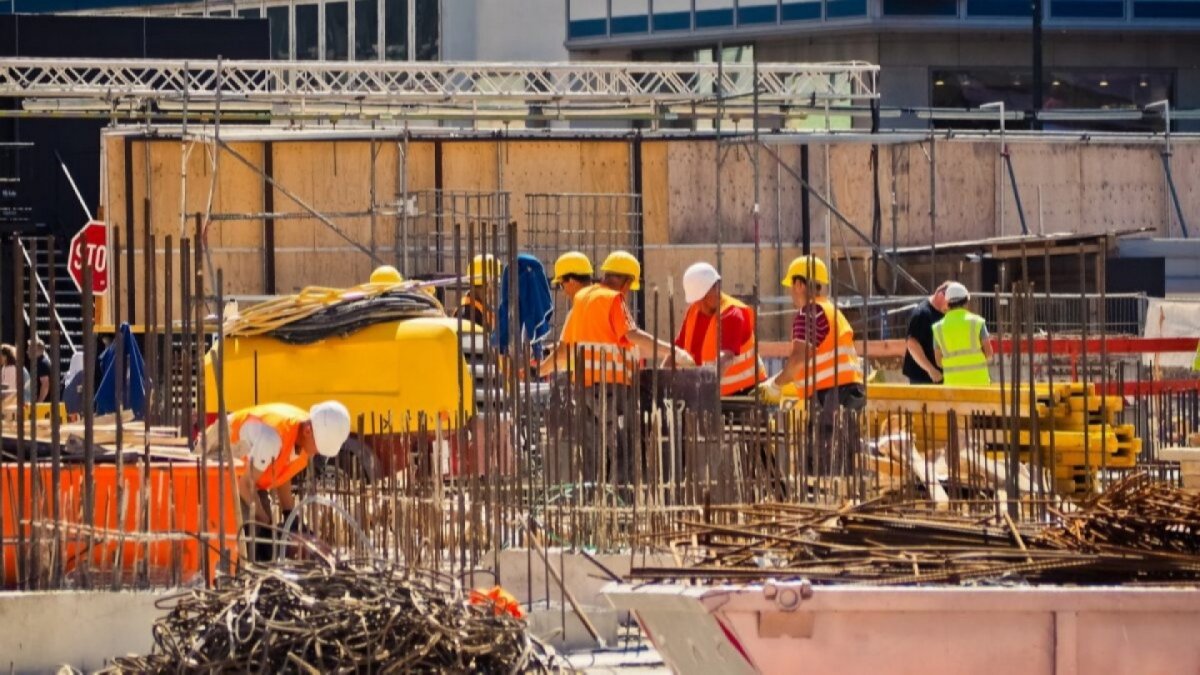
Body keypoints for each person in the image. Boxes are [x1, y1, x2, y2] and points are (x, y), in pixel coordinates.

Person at [550, 250, 692, 484]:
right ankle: (622, 507)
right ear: (626, 282)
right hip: (612, 388)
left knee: (593, 453)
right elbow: (632, 335)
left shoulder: (582, 299)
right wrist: (673, 351)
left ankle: (593, 505)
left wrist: (542, 369)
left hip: (583, 387)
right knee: (622, 450)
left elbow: (567, 347)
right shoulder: (613, 299)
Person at [204, 401, 351, 560]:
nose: (317, 452)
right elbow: (245, 485)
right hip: (215, 460)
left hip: (247, 475)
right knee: (251, 530)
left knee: (265, 532)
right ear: (308, 431)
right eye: (319, 447)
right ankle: (239, 570)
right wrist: (268, 525)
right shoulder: (273, 438)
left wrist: (290, 516)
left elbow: (282, 474)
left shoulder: (303, 436)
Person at [759, 255, 865, 473]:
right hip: (848, 394)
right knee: (840, 464)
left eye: (791, 286)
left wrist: (776, 384)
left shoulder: (810, 311)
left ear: (799, 284)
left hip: (830, 396)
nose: (791, 293)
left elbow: (799, 357)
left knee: (821, 466)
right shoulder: (830, 310)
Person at [675, 261, 766, 396]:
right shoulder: (693, 311)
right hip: (711, 393)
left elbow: (726, 358)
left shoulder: (732, 313)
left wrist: (707, 384)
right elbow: (676, 350)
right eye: (697, 300)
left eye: (704, 298)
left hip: (745, 394)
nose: (701, 304)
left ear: (716, 288)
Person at [538, 251, 595, 379]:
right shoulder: (602, 300)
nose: (564, 292)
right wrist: (547, 351)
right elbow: (576, 345)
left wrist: (538, 371)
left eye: (562, 285)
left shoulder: (580, 307)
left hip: (589, 384)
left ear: (572, 281)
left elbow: (565, 352)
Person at [932, 282, 993, 386]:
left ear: (947, 303)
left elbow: (938, 361)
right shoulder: (977, 322)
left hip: (952, 385)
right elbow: (989, 353)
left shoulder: (938, 328)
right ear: (966, 301)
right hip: (979, 383)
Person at [902, 282, 949, 384]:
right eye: (950, 301)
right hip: (923, 377)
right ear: (941, 295)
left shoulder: (943, 313)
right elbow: (912, 344)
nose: (951, 306)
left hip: (940, 375)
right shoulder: (922, 313)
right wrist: (931, 370)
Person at [454, 254, 500, 332]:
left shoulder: (482, 308)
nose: (496, 290)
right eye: (495, 284)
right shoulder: (468, 313)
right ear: (488, 283)